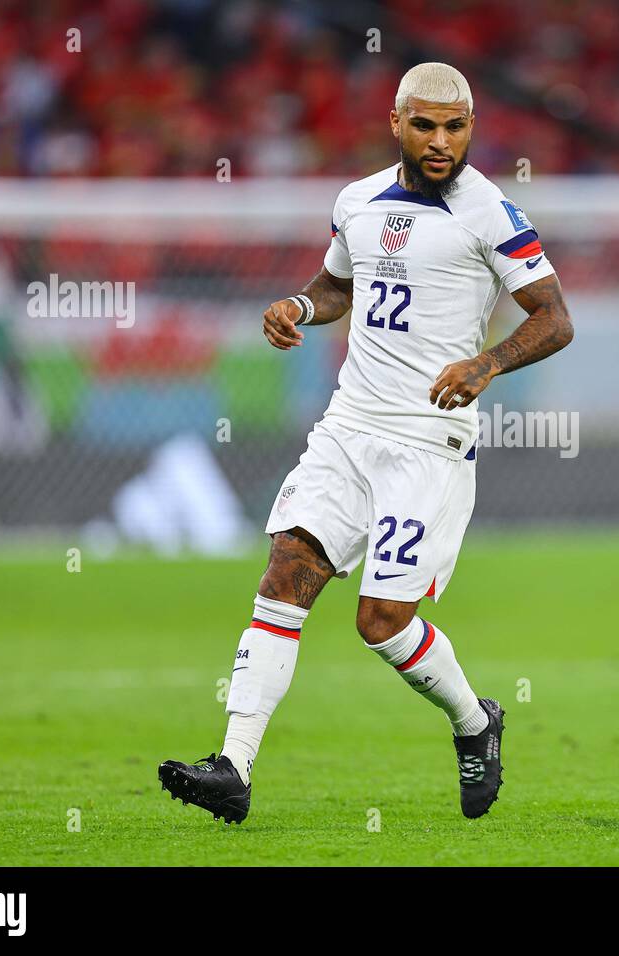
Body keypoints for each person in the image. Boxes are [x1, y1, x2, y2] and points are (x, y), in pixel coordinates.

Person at [158, 62, 574, 823]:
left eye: (456, 126)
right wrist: (296, 305)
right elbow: (340, 287)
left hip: (428, 441)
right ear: (396, 123)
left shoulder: (492, 214)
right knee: (286, 573)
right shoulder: (356, 202)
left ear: (472, 128)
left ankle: (476, 723)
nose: (442, 140)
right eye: (425, 124)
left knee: (380, 621)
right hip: (349, 427)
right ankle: (233, 768)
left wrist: (488, 362)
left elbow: (554, 317)